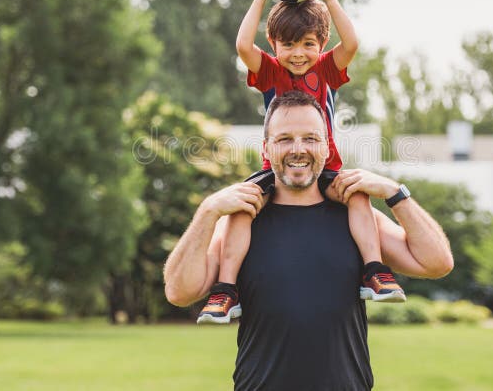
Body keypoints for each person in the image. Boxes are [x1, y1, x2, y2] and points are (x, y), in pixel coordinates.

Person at [164, 91, 453, 390]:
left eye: (311, 139)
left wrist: (395, 192)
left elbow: (437, 262)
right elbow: (179, 291)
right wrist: (207, 211)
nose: (298, 149)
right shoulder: (242, 221)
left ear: (327, 148)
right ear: (267, 148)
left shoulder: (358, 220)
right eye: (284, 139)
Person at [197, 0, 406, 324]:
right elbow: (244, 46)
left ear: (322, 43)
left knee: (358, 195)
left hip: (325, 164)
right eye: (288, 44)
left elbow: (352, 42)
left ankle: (375, 271)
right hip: (277, 168)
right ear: (274, 45)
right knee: (240, 210)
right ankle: (226, 291)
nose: (298, 54)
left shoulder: (326, 68)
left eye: (308, 44)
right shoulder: (271, 72)